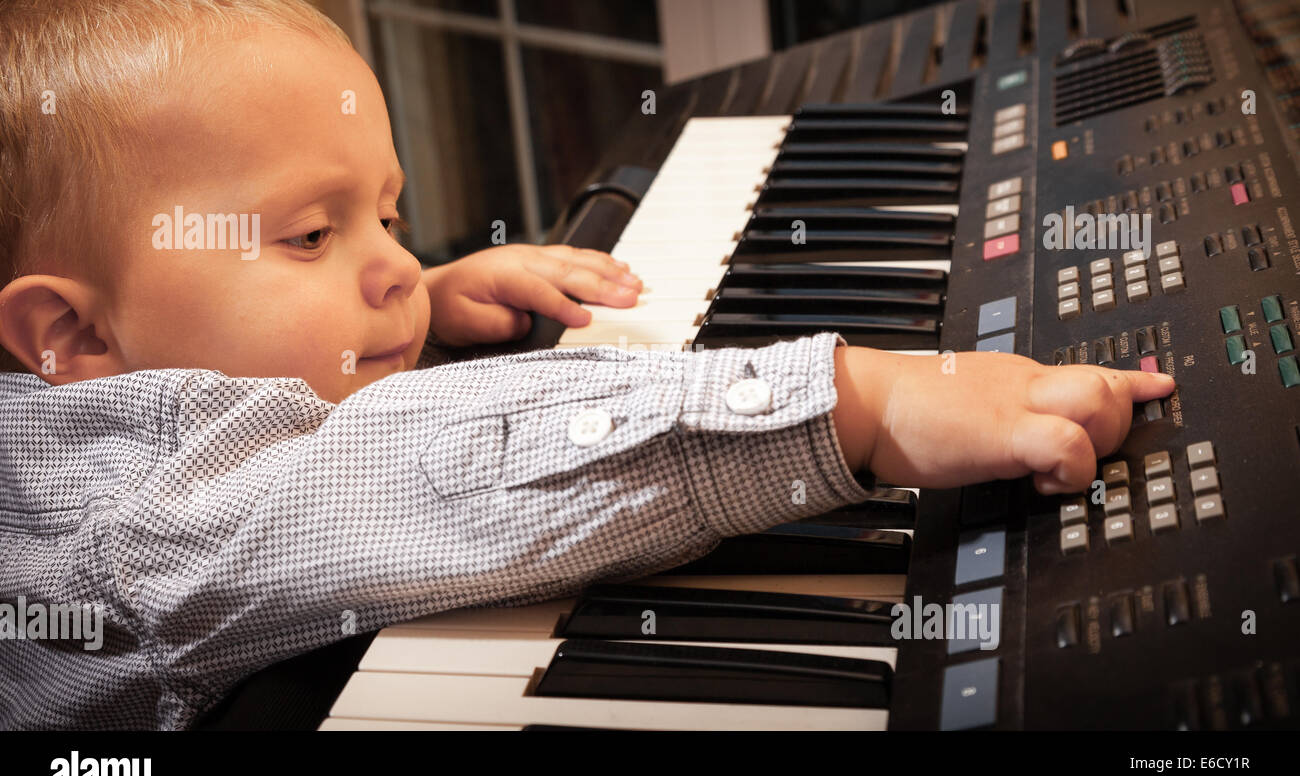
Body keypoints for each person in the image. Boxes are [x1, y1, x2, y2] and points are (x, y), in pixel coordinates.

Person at [0, 0, 1173, 729]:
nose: (394, 267)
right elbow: (417, 476)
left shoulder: (99, 388)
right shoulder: (134, 522)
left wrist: (433, 312)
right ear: (72, 336)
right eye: (311, 234)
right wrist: (855, 401)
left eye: (391, 219)